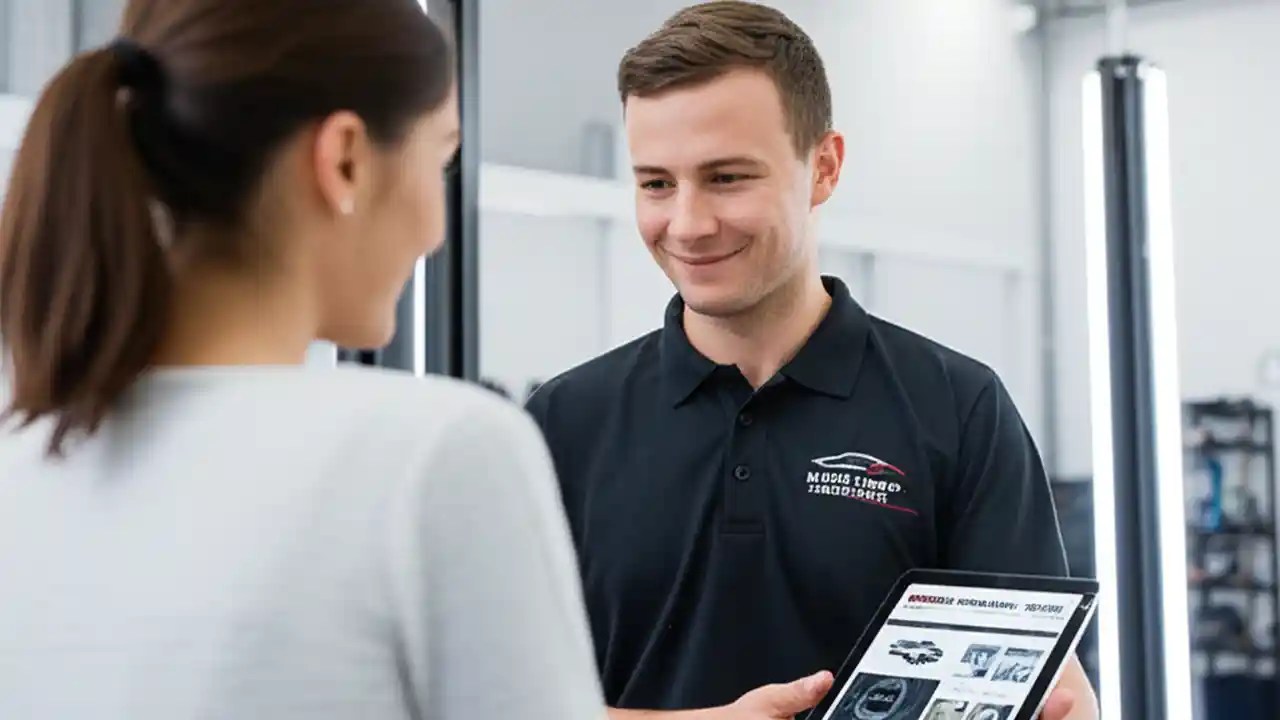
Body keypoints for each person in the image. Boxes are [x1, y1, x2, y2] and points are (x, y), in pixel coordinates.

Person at [0, 1, 603, 718]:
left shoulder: (25, 460)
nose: (438, 230)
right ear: (344, 158)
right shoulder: (442, 454)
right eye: (439, 162)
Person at [524, 2, 1099, 719]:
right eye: (656, 183)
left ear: (823, 168)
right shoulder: (562, 424)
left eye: (728, 177)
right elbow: (490, 699)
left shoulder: (959, 408)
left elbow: (1046, 681)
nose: (688, 223)